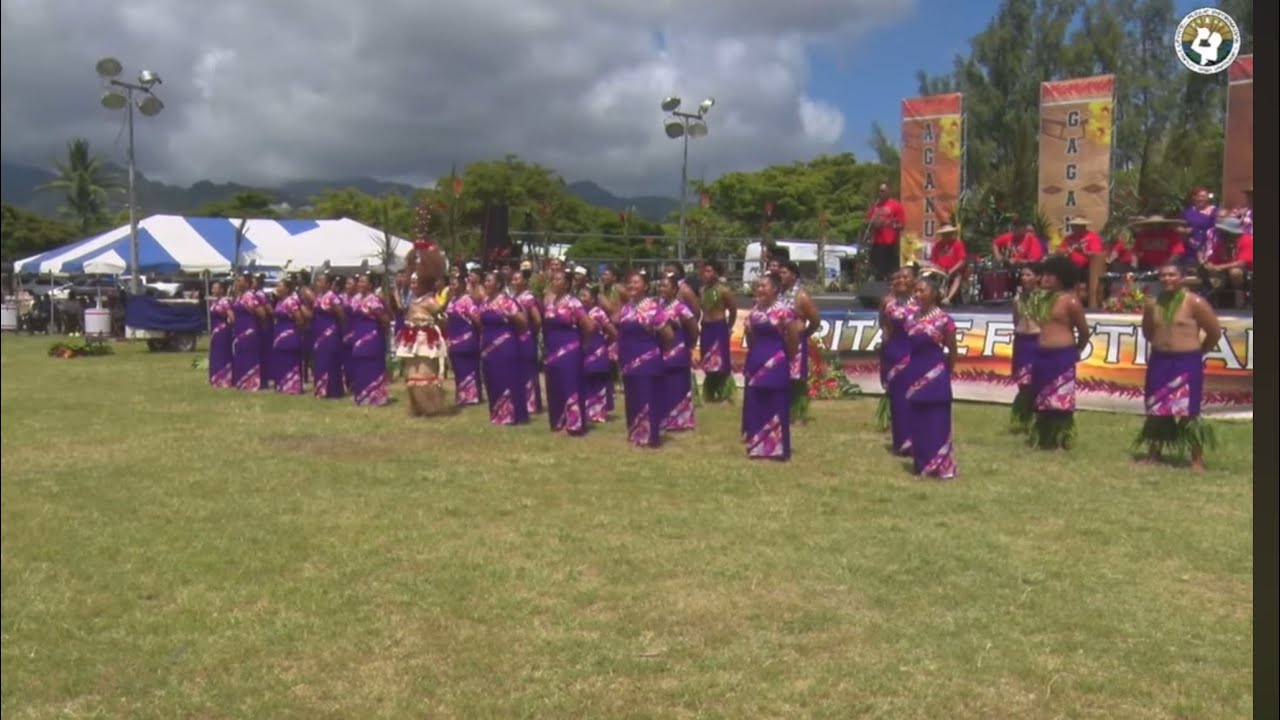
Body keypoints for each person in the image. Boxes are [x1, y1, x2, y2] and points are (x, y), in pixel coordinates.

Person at [1135, 263, 1222, 471]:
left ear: (1182, 277)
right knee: (1156, 408)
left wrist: (1198, 352)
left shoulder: (1195, 302)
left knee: (1189, 411)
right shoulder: (1152, 304)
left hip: (1186, 361)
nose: (1167, 279)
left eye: (1172, 275)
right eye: (1163, 275)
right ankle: (1154, 453)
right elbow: (1148, 331)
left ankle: (1196, 459)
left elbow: (1214, 332)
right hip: (1159, 360)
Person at [1029, 256, 1090, 450]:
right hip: (1041, 354)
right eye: (1044, 274)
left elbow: (1084, 331)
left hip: (1062, 354)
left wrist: (1077, 350)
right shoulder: (1041, 300)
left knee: (1061, 401)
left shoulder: (1071, 302)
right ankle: (1045, 438)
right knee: (1042, 398)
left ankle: (1062, 439)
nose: (1044, 279)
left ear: (1062, 278)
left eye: (1050, 275)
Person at [902, 276, 959, 479]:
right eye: (915, 291)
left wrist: (944, 373)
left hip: (936, 374)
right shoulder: (910, 318)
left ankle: (941, 466)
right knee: (918, 420)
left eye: (922, 290)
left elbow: (952, 351)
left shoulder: (944, 320)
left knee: (937, 420)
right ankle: (922, 463)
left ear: (934, 293)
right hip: (915, 372)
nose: (917, 294)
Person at [741, 273, 798, 460]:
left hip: (776, 361)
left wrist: (785, 358)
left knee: (776, 403)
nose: (760, 290)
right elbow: (751, 340)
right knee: (757, 402)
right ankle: (757, 446)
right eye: (758, 286)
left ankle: (777, 448)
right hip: (756, 360)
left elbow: (793, 339)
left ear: (774, 288)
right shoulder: (754, 312)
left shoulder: (784, 311)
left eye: (764, 286)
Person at [616, 272, 672, 448]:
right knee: (633, 397)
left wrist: (657, 352)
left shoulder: (653, 308)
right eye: (629, 283)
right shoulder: (625, 308)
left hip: (647, 360)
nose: (632, 286)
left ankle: (649, 437)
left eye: (636, 282)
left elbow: (668, 335)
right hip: (628, 360)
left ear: (646, 286)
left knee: (647, 396)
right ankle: (635, 433)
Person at [396, 245, 450, 417]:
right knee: (412, 372)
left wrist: (433, 325)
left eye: (415, 282)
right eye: (410, 282)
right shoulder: (413, 301)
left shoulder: (429, 301)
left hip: (426, 341)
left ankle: (430, 407)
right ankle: (417, 407)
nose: (412, 285)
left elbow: (443, 317)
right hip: (412, 341)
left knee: (425, 371)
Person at [541, 269, 593, 436]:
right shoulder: (549, 302)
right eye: (553, 279)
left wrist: (583, 344)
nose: (554, 282)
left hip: (570, 349)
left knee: (570, 385)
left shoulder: (573, 302)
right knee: (554, 385)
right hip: (552, 349)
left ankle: (573, 424)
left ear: (567, 284)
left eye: (559, 279)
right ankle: (558, 421)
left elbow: (588, 326)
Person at [475, 270, 529, 425]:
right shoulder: (484, 302)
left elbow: (523, 323)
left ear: (498, 284)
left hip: (505, 347)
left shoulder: (507, 301)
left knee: (506, 379)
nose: (486, 284)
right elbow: (480, 323)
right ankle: (497, 413)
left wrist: (511, 316)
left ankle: (511, 415)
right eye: (485, 281)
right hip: (487, 347)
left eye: (489, 281)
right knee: (492, 380)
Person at [876, 267, 918, 452]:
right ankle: (901, 442)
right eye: (898, 276)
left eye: (905, 277)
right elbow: (883, 325)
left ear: (914, 280)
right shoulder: (887, 302)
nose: (901, 280)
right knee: (898, 399)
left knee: (915, 397)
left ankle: (917, 439)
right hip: (894, 352)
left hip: (915, 352)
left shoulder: (921, 301)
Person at [778, 260, 821, 424]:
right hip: (781, 339)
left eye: (784, 273)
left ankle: (798, 412)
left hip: (798, 339)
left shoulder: (801, 296)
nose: (780, 275)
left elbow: (815, 319)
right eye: (780, 273)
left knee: (797, 378)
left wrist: (805, 333)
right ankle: (784, 410)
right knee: (783, 376)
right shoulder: (779, 293)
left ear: (793, 275)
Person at [1009, 263, 1047, 434]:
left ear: (1037, 277)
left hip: (1036, 341)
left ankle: (1040, 417)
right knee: (1023, 384)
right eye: (1023, 275)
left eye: (1028, 275)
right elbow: (1016, 321)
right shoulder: (1017, 299)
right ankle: (1026, 418)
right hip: (1021, 342)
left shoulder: (1043, 298)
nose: (1024, 278)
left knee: (1037, 382)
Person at [658, 274, 698, 432]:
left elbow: (693, 328)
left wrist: (690, 345)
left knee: (678, 384)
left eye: (665, 286)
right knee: (664, 384)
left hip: (678, 349)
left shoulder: (681, 308)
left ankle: (681, 420)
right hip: (661, 350)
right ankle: (664, 417)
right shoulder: (657, 306)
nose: (661, 289)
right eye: (660, 285)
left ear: (674, 289)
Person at [347, 273, 391, 407]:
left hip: (372, 336)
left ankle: (376, 397)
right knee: (359, 365)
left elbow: (384, 320)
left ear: (370, 285)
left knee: (372, 364)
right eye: (359, 281)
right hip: (358, 336)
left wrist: (380, 335)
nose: (360, 284)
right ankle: (361, 395)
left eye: (363, 282)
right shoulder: (355, 299)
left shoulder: (374, 300)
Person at [698, 260, 737, 402]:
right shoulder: (702, 290)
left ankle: (724, 393)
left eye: (709, 271)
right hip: (706, 328)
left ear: (716, 273)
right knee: (707, 360)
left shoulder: (724, 290)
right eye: (705, 271)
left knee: (721, 361)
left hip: (719, 327)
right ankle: (710, 391)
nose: (706, 274)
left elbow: (733, 310)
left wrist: (729, 327)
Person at [444, 270, 484, 407]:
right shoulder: (451, 301)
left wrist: (480, 336)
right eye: (450, 284)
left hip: (467, 340)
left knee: (469, 368)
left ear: (462, 285)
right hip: (454, 341)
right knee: (458, 370)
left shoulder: (467, 300)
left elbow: (477, 320)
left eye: (454, 284)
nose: (452, 287)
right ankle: (461, 396)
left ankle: (472, 397)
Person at [580, 285, 617, 423]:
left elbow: (613, 332)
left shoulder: (599, 313)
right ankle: (587, 411)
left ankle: (599, 412)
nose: (582, 299)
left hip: (597, 348)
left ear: (593, 299)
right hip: (584, 349)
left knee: (599, 381)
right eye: (581, 296)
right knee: (586, 380)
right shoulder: (579, 312)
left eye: (585, 296)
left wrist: (605, 344)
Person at [510, 267, 544, 415]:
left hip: (526, 337)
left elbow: (537, 319)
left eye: (517, 279)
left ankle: (532, 403)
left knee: (529, 370)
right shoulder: (512, 296)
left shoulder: (528, 297)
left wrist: (532, 332)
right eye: (513, 279)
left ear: (524, 281)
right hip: (514, 337)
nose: (514, 282)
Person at [1202, 216, 1252, 309]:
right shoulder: (1222, 242)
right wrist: (1210, 265)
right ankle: (1214, 300)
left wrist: (1220, 267)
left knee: (1235, 272)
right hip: (1224, 272)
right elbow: (1214, 259)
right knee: (1209, 272)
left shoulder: (1247, 240)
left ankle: (1240, 296)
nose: (1221, 233)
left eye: (1224, 230)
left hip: (1245, 273)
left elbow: (1243, 262)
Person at [310, 273, 347, 399]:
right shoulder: (319, 297)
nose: (318, 283)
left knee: (330, 360)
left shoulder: (332, 297)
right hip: (318, 332)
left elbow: (341, 314)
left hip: (330, 332)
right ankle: (320, 389)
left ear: (328, 284)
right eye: (317, 281)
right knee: (320, 361)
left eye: (321, 281)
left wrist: (340, 330)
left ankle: (332, 390)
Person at [271, 277, 309, 395]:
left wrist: (295, 332)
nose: (277, 288)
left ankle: (293, 386)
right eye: (277, 286)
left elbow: (299, 319)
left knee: (290, 359)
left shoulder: (291, 301)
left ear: (287, 289)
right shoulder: (279, 301)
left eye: (280, 286)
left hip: (289, 333)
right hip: (279, 333)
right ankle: (282, 384)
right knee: (281, 359)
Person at [231, 273, 269, 391]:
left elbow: (262, 313)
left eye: (240, 280)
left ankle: (252, 382)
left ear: (247, 283)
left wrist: (254, 318)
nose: (237, 283)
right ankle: (242, 381)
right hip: (239, 329)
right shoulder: (239, 296)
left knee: (249, 355)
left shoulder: (249, 296)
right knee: (241, 355)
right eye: (237, 280)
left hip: (249, 330)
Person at [865, 182, 905, 280]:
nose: (880, 193)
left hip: (890, 243)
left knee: (890, 271)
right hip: (876, 242)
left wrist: (887, 223)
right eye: (879, 191)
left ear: (888, 191)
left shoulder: (896, 205)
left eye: (882, 191)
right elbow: (867, 221)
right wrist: (874, 222)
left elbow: (901, 225)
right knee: (876, 270)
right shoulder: (875, 206)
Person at [1179, 186, 1219, 268]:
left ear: (1208, 197)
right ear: (1193, 198)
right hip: (1191, 247)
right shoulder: (1187, 213)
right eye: (1198, 196)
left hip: (1211, 247)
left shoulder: (1216, 211)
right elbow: (1178, 226)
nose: (1200, 199)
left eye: (1203, 196)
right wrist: (1183, 231)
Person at [929, 224, 968, 306]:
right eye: (944, 234)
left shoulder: (957, 244)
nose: (946, 236)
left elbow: (962, 260)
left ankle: (948, 298)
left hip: (953, 270)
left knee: (958, 277)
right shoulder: (937, 246)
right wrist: (937, 268)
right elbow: (933, 261)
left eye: (948, 234)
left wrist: (951, 270)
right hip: (940, 270)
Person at [207, 281, 234, 388]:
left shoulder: (224, 302)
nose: (213, 290)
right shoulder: (215, 302)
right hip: (215, 331)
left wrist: (228, 324)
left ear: (222, 290)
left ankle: (224, 379)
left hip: (223, 331)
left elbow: (231, 316)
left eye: (216, 288)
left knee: (222, 354)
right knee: (215, 355)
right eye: (212, 288)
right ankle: (216, 378)